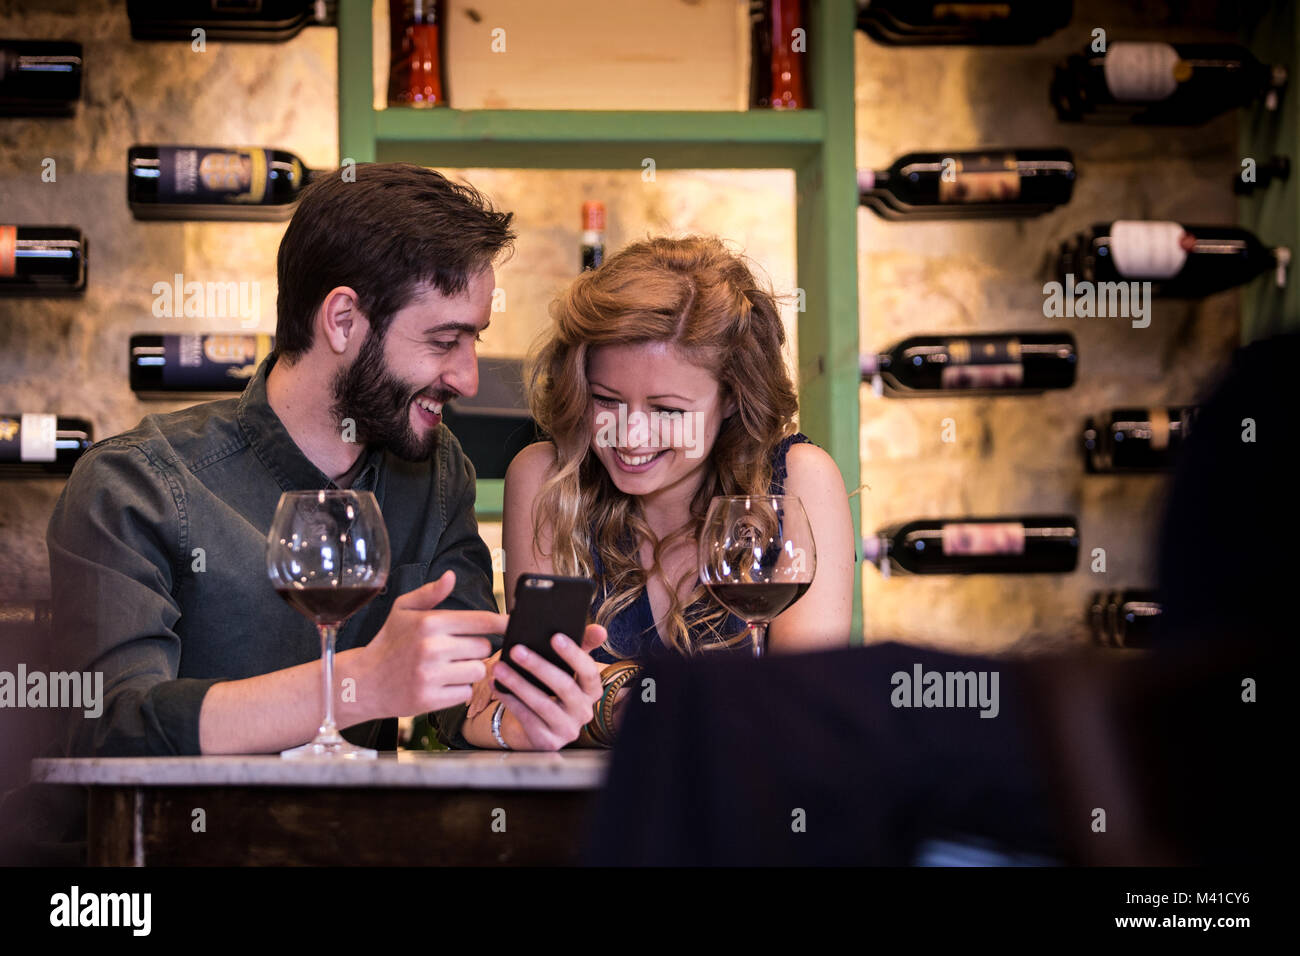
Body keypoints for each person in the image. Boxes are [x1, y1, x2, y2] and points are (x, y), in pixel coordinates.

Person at [44, 162, 607, 759]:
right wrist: (356, 685)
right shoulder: (135, 486)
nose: (469, 379)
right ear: (343, 321)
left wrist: (507, 718)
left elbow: (461, 691)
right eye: (444, 342)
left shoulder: (438, 473)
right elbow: (109, 725)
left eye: (476, 340)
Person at [437, 236, 855, 749]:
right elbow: (537, 706)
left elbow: (801, 713)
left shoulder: (797, 479)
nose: (630, 436)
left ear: (731, 397)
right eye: (606, 400)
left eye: (667, 410)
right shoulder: (548, 477)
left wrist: (607, 699)